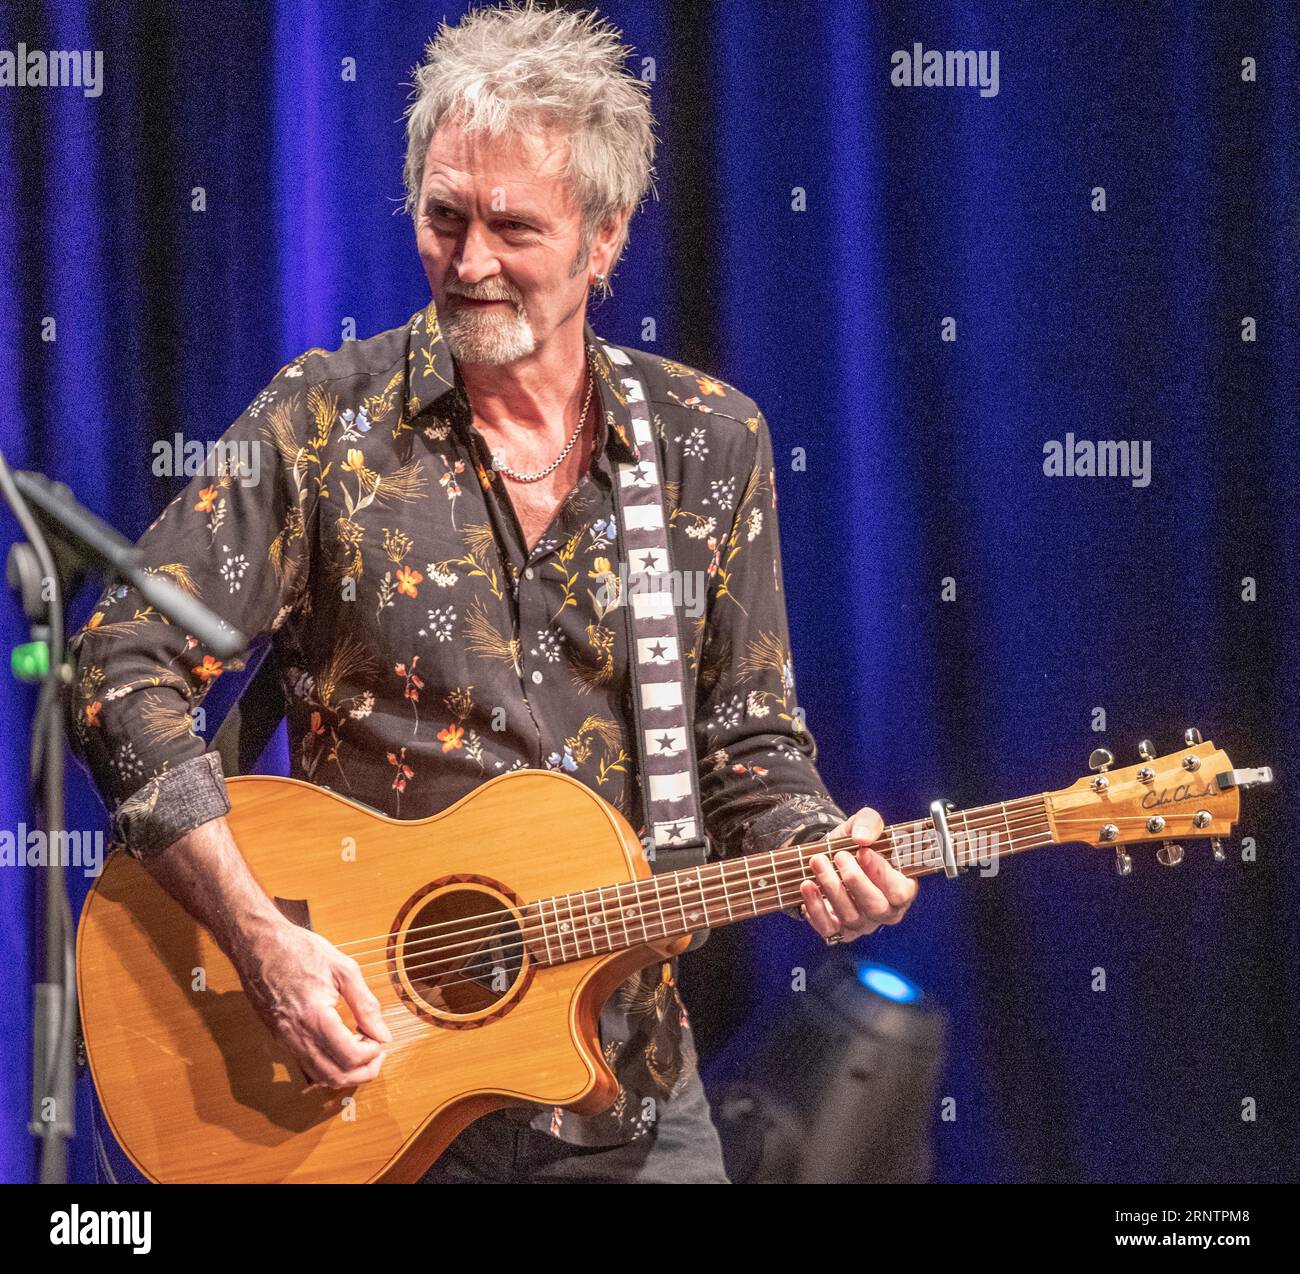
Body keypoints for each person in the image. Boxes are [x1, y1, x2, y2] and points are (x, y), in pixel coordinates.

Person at [65, 1, 917, 1184]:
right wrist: (262, 940)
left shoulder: (707, 442)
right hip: (354, 1086)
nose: (468, 264)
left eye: (512, 227)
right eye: (443, 216)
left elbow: (749, 741)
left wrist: (819, 848)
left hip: (621, 1088)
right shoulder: (327, 422)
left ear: (604, 237)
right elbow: (117, 662)